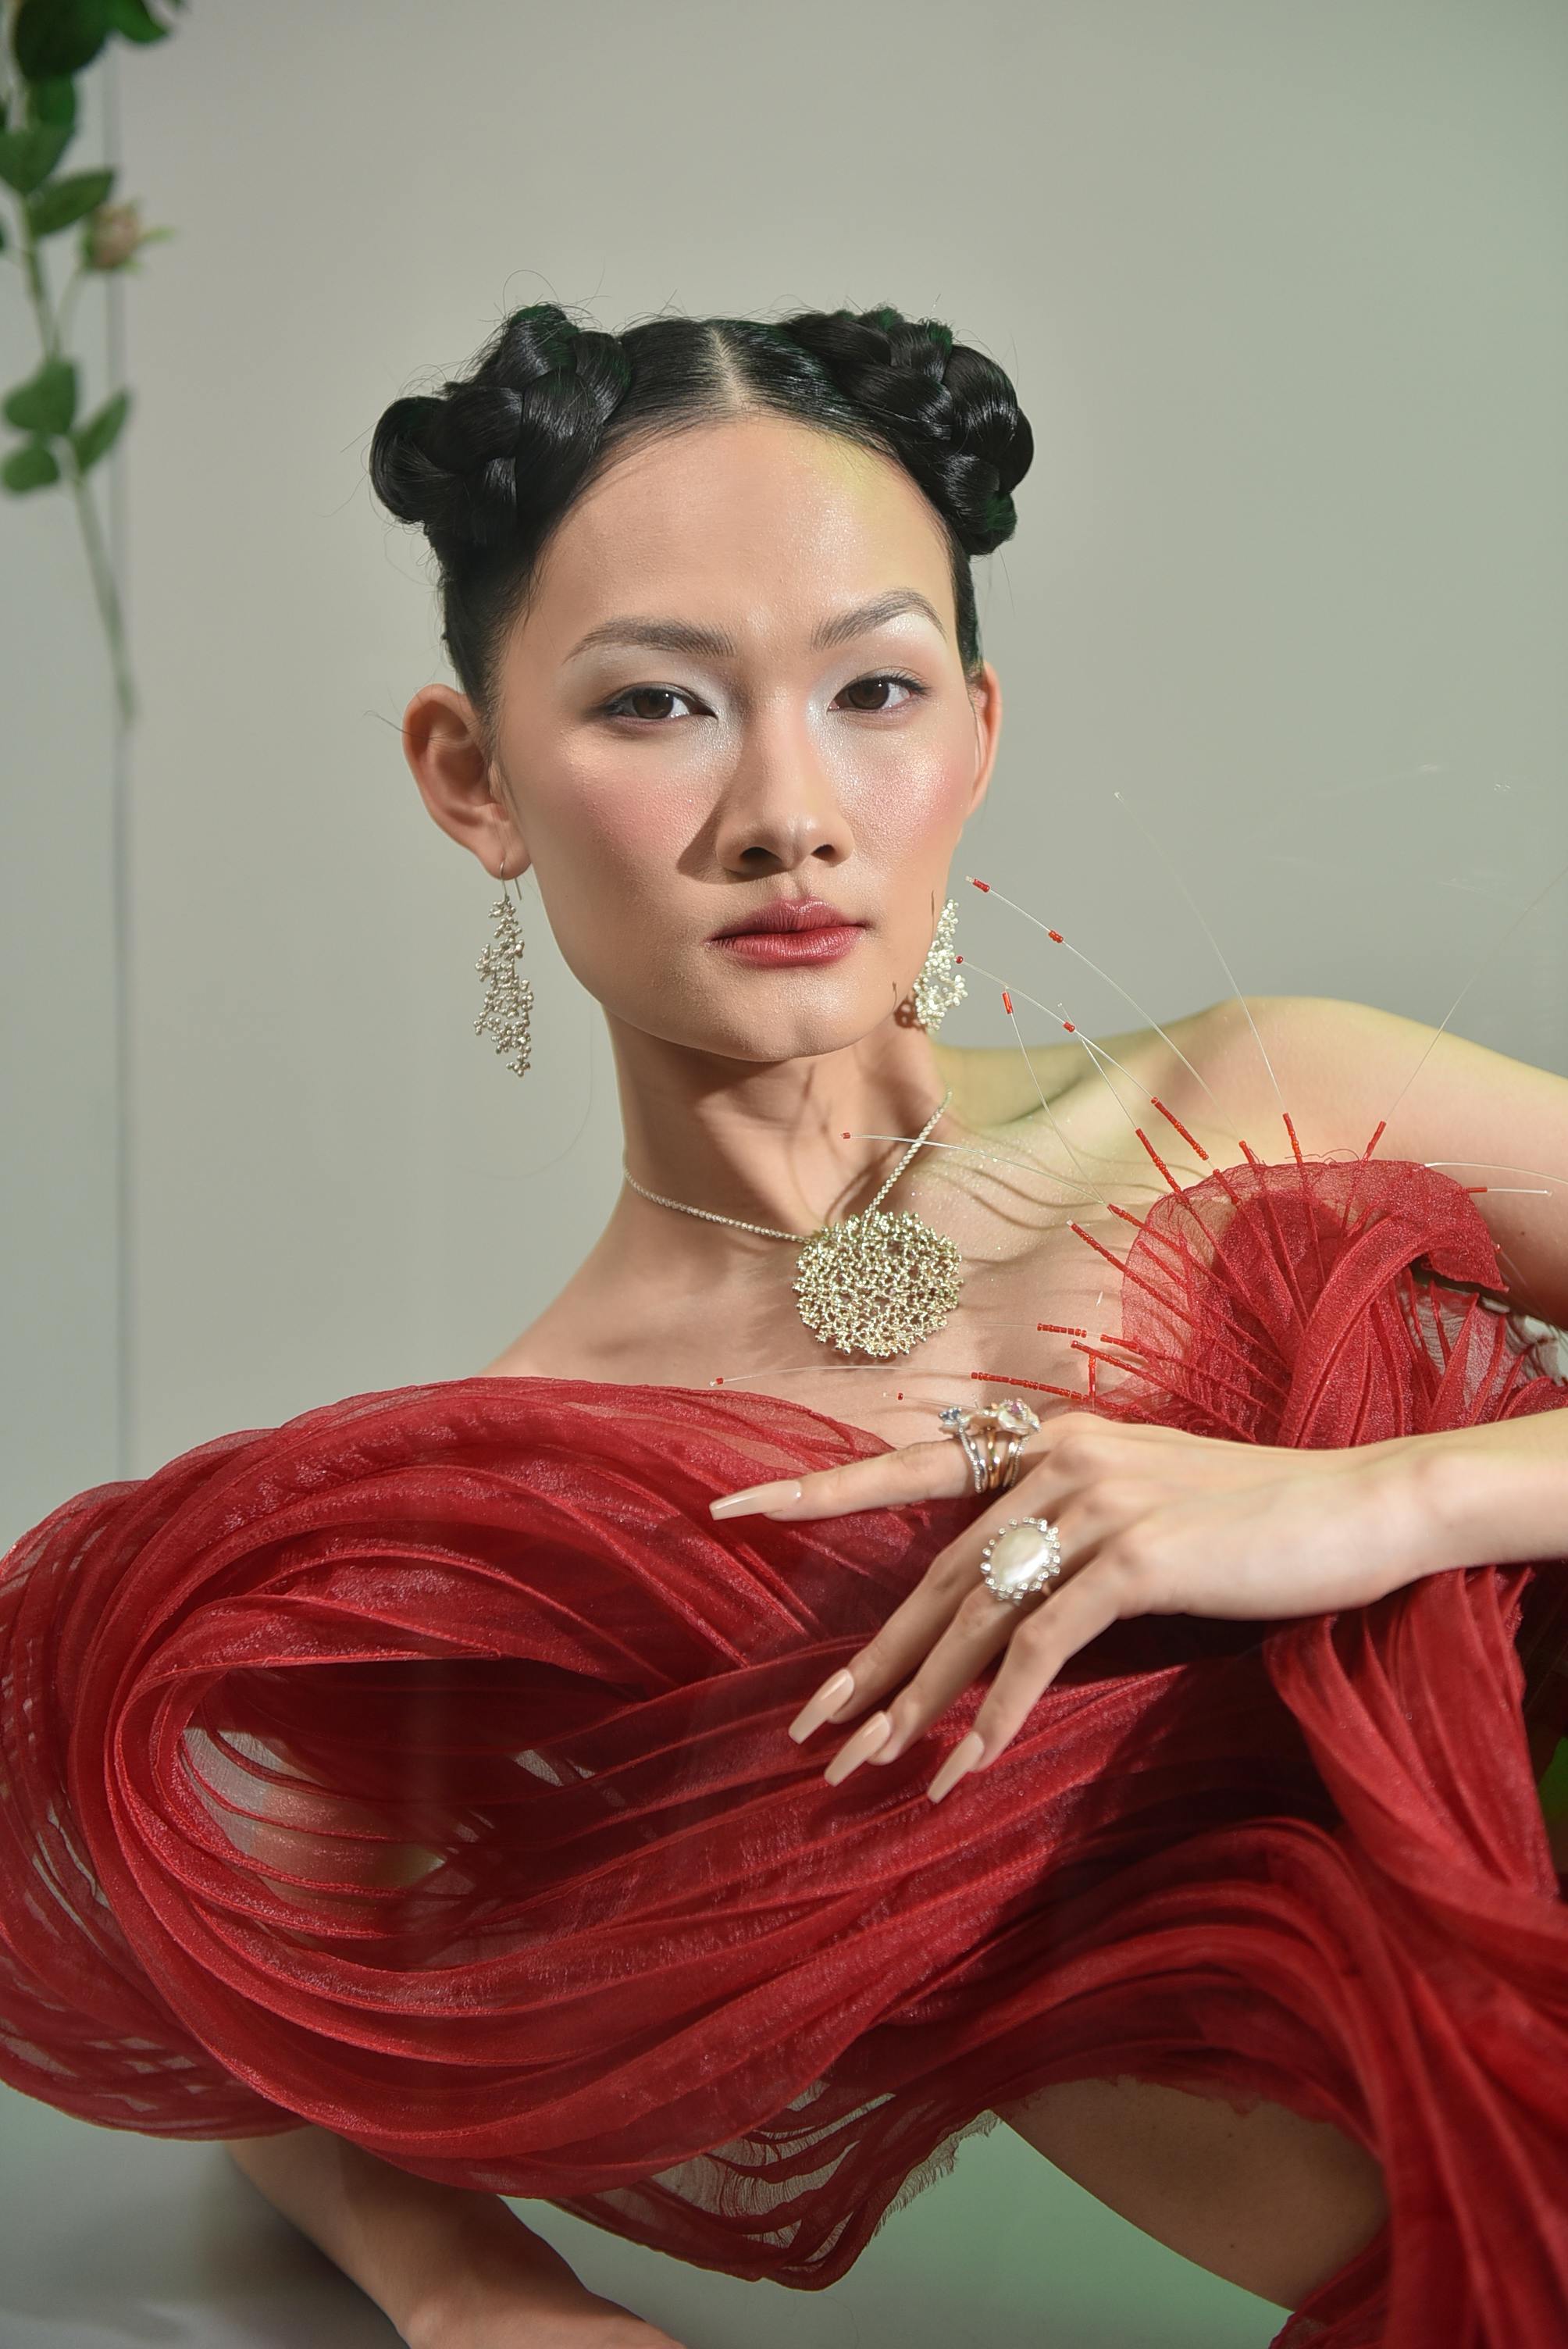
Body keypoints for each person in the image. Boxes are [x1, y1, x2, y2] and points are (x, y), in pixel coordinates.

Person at [2, 300, 1566, 2349]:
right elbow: (251, 1994)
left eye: (875, 691)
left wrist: (1361, 1507)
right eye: (658, 706)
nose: (790, 810)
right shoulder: (544, 1482)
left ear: (977, 739)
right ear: (472, 779)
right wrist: (472, 2295)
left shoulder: (1249, 1100)